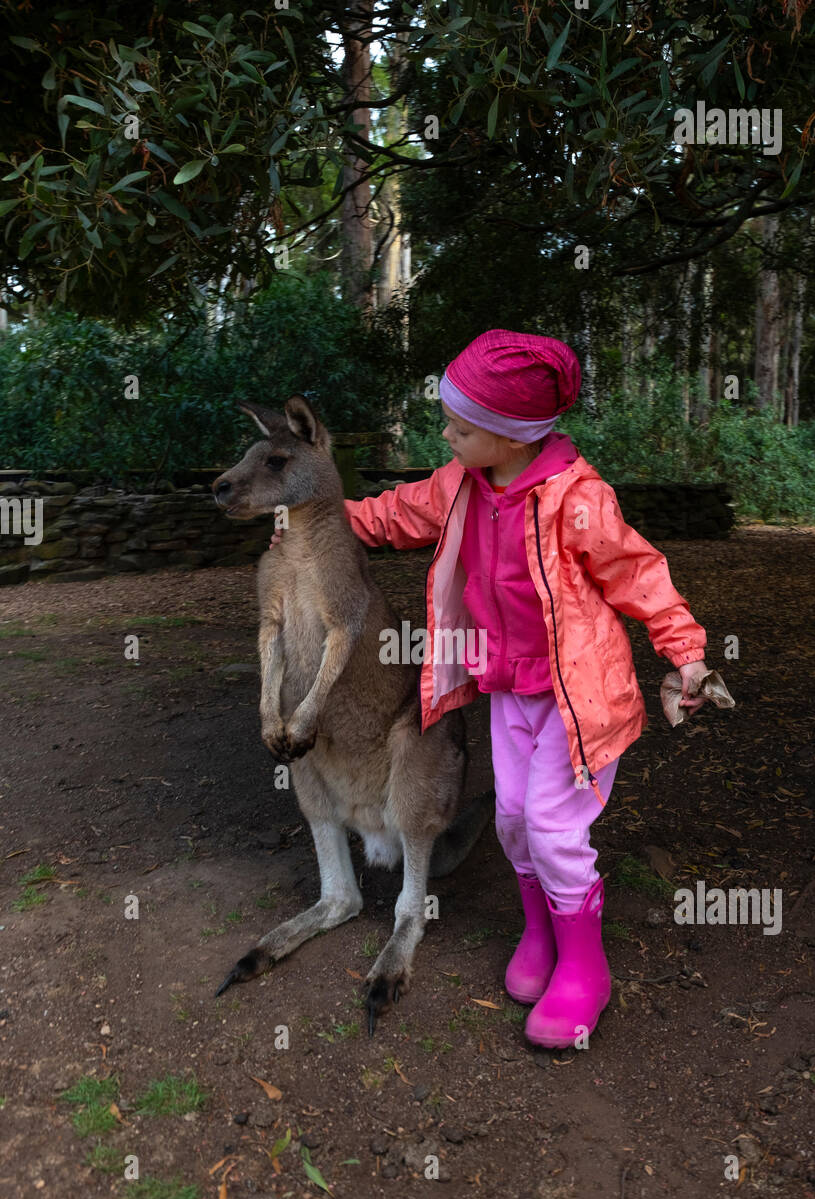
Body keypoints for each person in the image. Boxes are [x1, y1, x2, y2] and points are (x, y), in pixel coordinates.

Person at [271, 329, 710, 1048]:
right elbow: (390, 514)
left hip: (580, 700)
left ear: (510, 438)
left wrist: (686, 653)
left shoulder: (578, 499)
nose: (447, 435)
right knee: (511, 817)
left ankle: (584, 969)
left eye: (462, 427)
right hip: (510, 691)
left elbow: (638, 573)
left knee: (553, 827)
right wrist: (315, 526)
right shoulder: (461, 484)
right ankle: (539, 933)